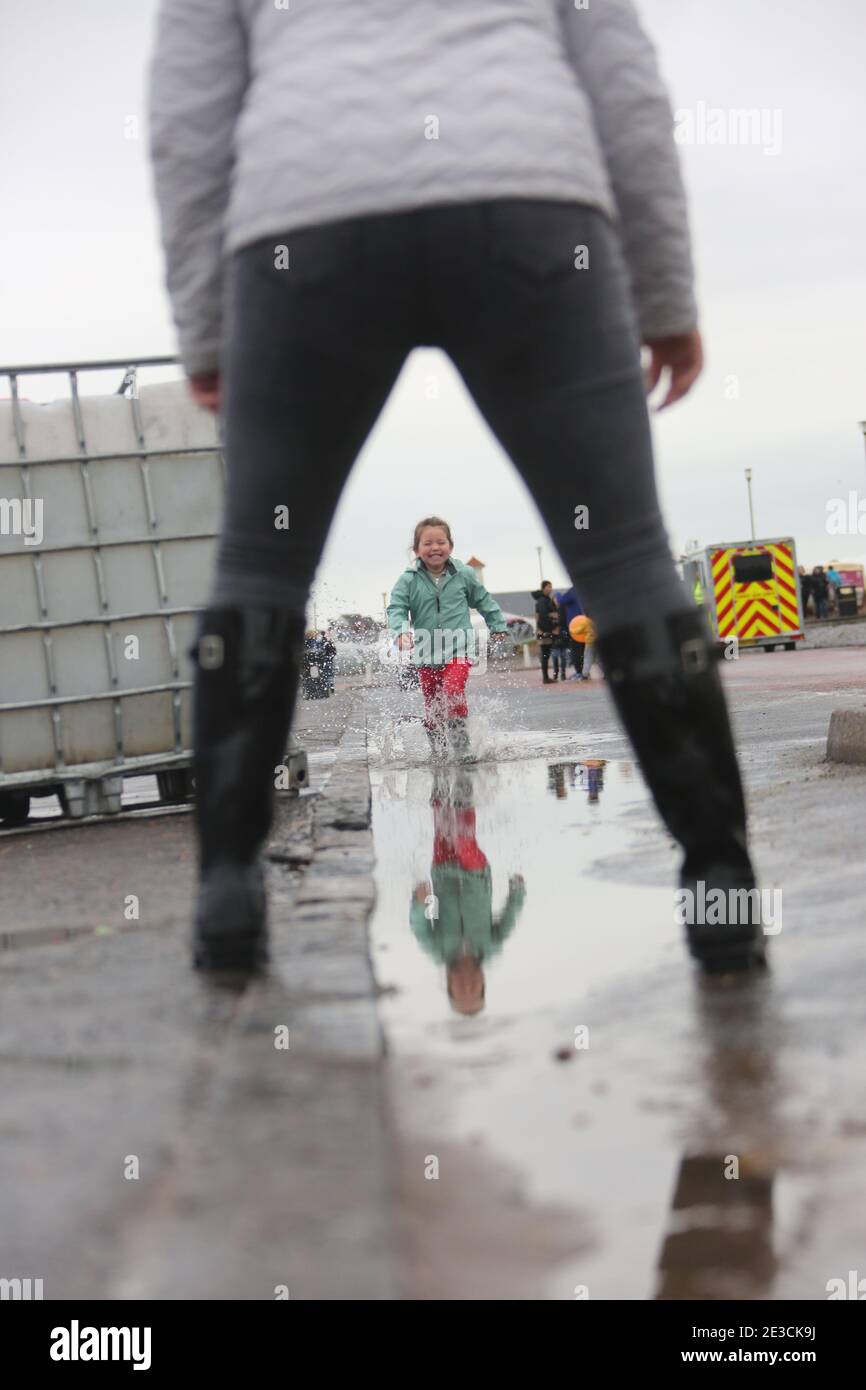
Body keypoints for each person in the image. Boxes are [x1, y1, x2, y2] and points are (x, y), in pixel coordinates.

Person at [149, 0, 761, 973]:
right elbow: (624, 87)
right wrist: (662, 291)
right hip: (529, 203)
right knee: (626, 559)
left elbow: (188, 114)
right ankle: (721, 885)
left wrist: (207, 322)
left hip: (304, 220)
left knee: (260, 566)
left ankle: (227, 900)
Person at [386, 517, 508, 762]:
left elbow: (483, 600)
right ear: (416, 549)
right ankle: (438, 751)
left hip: (458, 648)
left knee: (452, 691)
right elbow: (396, 608)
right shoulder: (408, 580)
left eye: (441, 542)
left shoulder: (463, 574)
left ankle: (462, 749)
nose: (435, 548)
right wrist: (400, 631)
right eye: (428, 543)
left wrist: (498, 625)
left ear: (450, 546)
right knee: (432, 706)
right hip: (426, 652)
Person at [532, 581, 559, 684]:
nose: (550, 589)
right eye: (548, 587)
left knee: (546, 654)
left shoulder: (546, 600)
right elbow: (543, 617)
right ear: (543, 588)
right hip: (544, 632)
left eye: (551, 587)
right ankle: (545, 678)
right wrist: (550, 630)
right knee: (545, 654)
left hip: (545, 631)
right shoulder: (542, 601)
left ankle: (546, 677)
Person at [556, 586, 585, 679]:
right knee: (584, 649)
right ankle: (584, 671)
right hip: (584, 622)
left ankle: (579, 672)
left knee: (576, 650)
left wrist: (557, 594)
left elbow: (562, 600)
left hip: (575, 624)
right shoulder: (581, 589)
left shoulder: (573, 591)